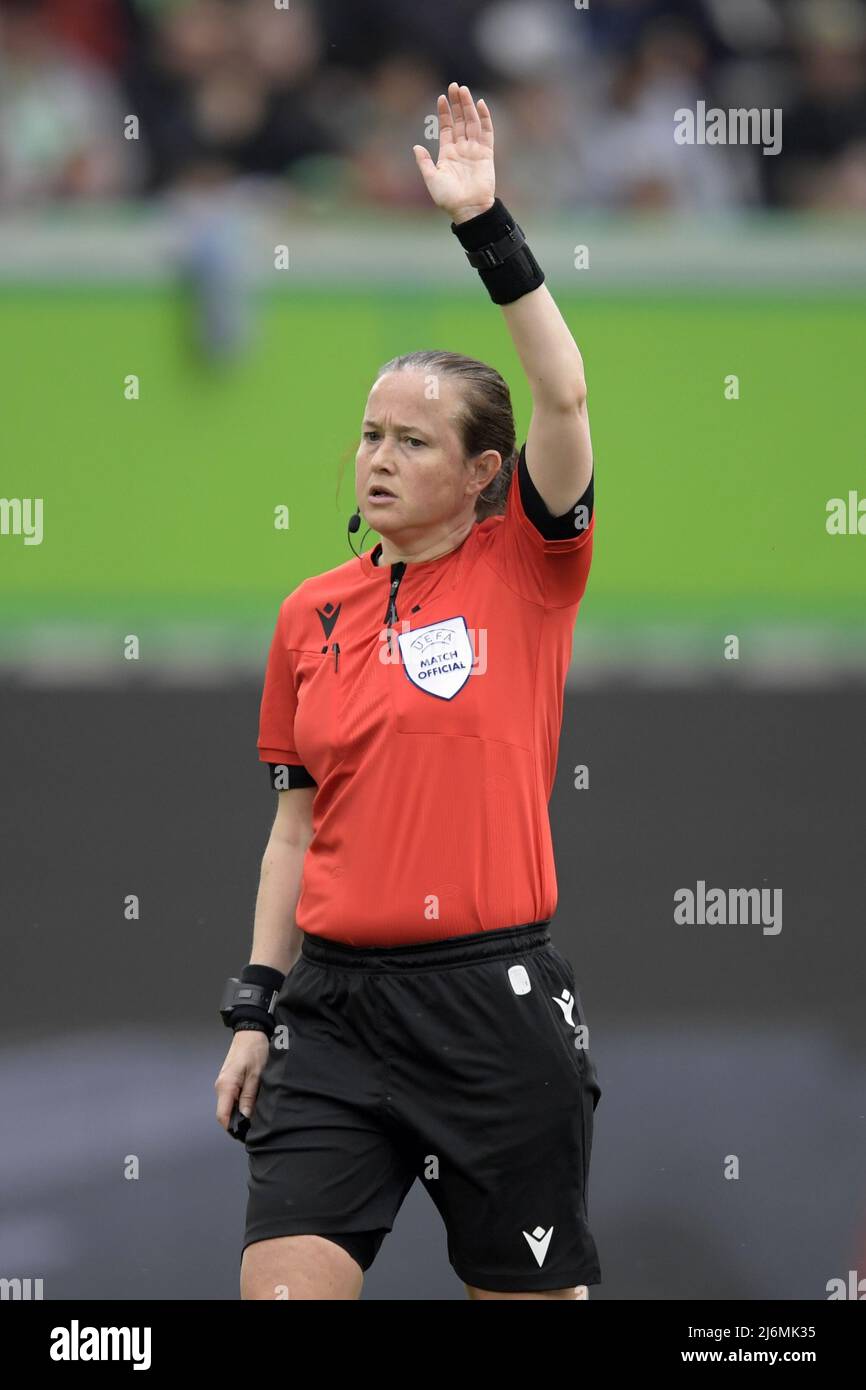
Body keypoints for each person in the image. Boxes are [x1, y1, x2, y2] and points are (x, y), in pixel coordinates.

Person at [215, 82, 601, 1301]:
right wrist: (253, 1005)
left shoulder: (528, 568)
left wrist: (483, 225)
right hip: (332, 1012)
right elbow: (294, 825)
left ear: (486, 473)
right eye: (370, 435)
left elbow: (565, 396)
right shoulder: (308, 611)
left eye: (413, 440)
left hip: (492, 1008)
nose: (378, 457)